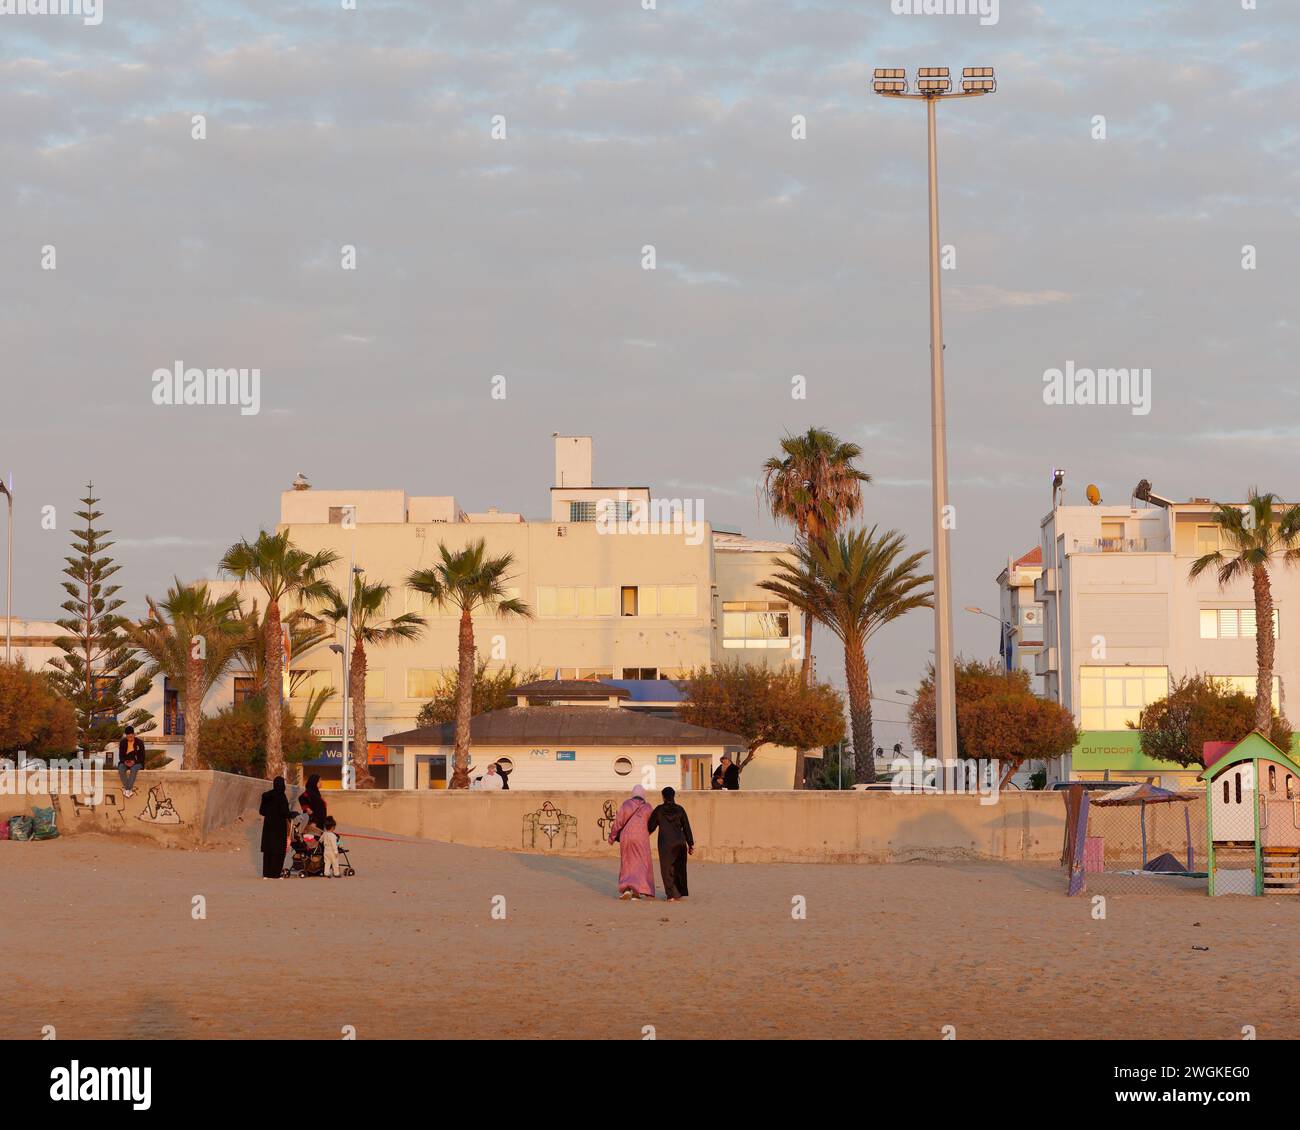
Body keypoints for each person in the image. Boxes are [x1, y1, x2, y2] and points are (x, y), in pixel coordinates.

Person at [607, 784, 655, 900]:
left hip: (626, 837)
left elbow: (618, 822)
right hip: (641, 838)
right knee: (641, 864)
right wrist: (646, 832)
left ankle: (627, 888)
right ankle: (637, 891)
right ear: (643, 795)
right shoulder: (648, 807)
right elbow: (652, 824)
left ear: (633, 794)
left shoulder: (626, 804)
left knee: (627, 863)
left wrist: (612, 837)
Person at [647, 786, 694, 901]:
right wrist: (690, 843)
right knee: (679, 867)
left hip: (665, 843)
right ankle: (677, 893)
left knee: (666, 869)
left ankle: (671, 895)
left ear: (663, 797)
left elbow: (650, 826)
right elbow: (687, 827)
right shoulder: (680, 809)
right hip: (680, 842)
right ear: (673, 796)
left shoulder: (659, 810)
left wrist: (644, 834)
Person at [259, 776, 292, 879]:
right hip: (279, 827)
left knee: (268, 850)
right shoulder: (282, 796)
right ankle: (275, 873)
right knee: (278, 850)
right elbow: (284, 812)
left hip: (268, 826)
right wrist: (291, 814)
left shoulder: (266, 796)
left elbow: (262, 811)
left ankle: (266, 873)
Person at [116, 726, 146, 798]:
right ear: (126, 735)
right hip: (126, 762)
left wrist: (134, 762)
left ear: (134, 734)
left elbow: (142, 757)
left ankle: (127, 789)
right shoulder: (123, 742)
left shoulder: (140, 742)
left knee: (134, 769)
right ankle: (128, 789)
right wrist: (125, 762)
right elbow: (121, 757)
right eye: (128, 735)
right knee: (121, 768)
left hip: (137, 763)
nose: (130, 736)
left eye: (131, 734)